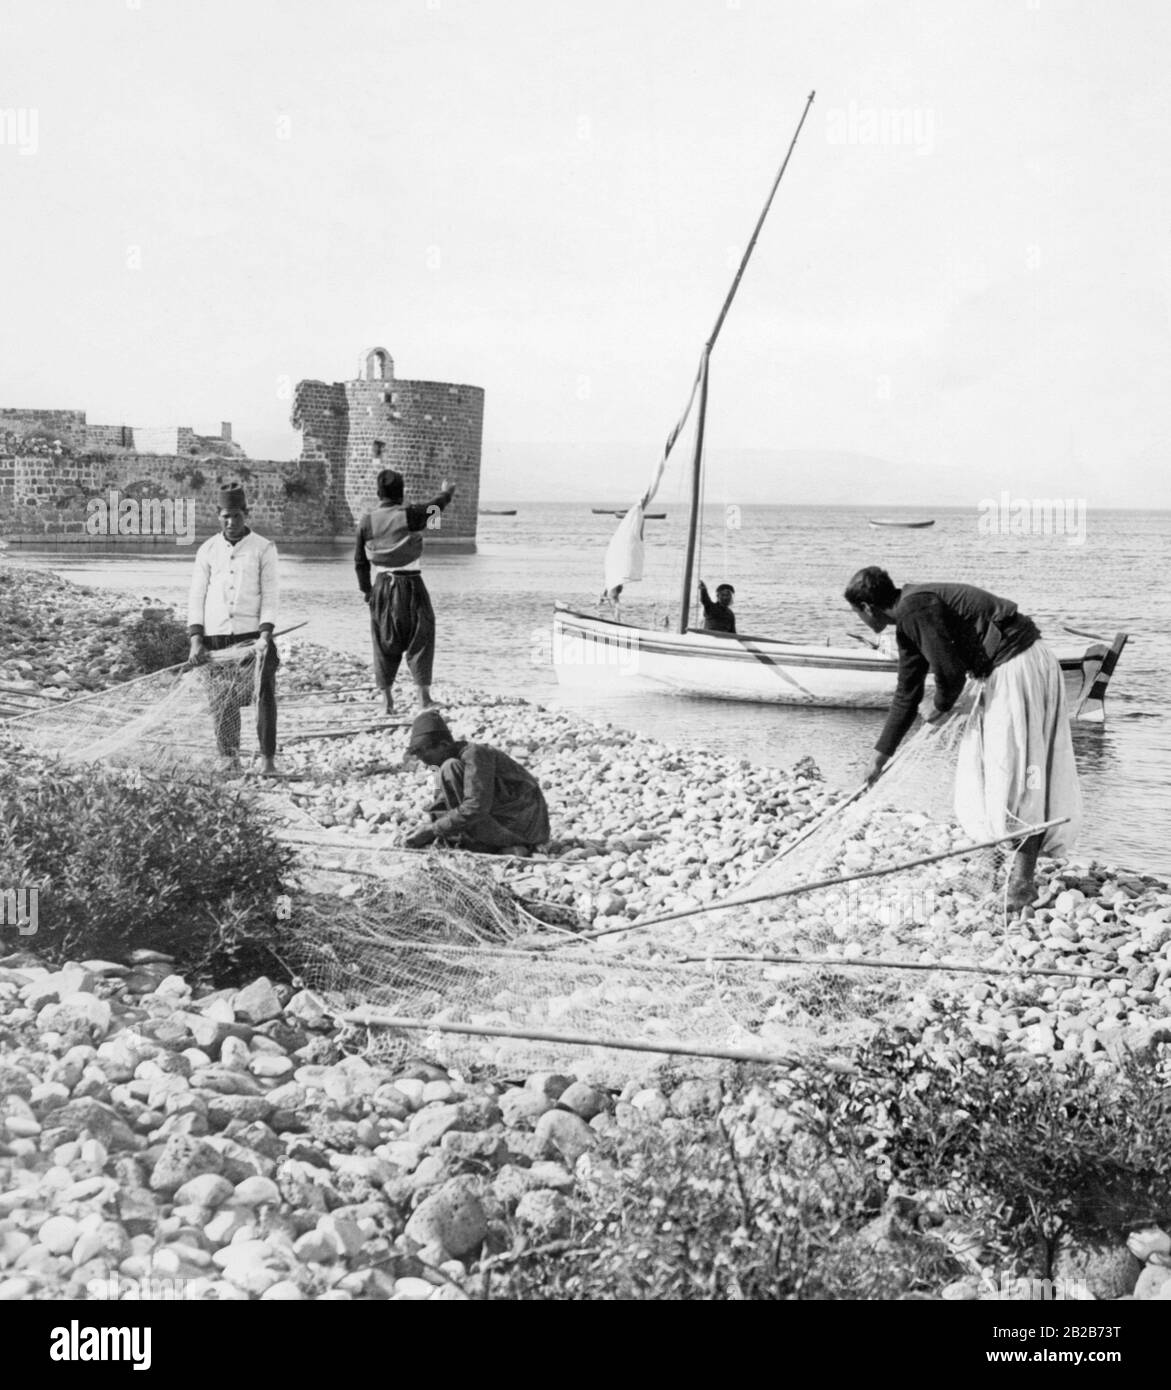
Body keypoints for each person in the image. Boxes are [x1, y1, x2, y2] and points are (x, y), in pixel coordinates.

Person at [844, 566, 1082, 910]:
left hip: (1018, 665)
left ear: (867, 607)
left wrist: (940, 705)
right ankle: (991, 867)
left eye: (856, 612)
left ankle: (1022, 884)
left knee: (1015, 772)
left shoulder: (914, 607)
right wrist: (878, 757)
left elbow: (950, 672)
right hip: (1006, 669)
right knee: (986, 767)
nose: (860, 618)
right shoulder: (910, 618)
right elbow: (907, 693)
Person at [187, 483, 281, 776]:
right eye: (225, 516)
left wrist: (264, 635)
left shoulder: (263, 548)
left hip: (253, 637)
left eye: (237, 516)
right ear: (218, 515)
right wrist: (196, 639)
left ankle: (268, 761)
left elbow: (270, 594)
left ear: (246, 513)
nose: (231, 522)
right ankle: (230, 760)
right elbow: (197, 596)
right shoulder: (207, 550)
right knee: (222, 699)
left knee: (264, 695)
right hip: (217, 637)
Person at [355, 470, 455, 713]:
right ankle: (423, 698)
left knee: (383, 640)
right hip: (411, 584)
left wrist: (367, 591)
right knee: (421, 636)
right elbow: (435, 510)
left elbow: (360, 562)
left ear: (378, 493)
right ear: (401, 493)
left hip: (381, 586)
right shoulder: (410, 515)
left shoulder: (366, 521)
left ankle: (387, 701)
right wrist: (446, 493)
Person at [402, 709, 550, 854]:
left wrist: (433, 830)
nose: (424, 762)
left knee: (450, 768)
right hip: (507, 821)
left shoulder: (475, 754)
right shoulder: (444, 763)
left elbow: (476, 807)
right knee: (448, 770)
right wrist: (431, 828)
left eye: (425, 754)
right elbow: (442, 804)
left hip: (526, 829)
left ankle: (502, 844)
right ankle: (480, 841)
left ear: (444, 745)